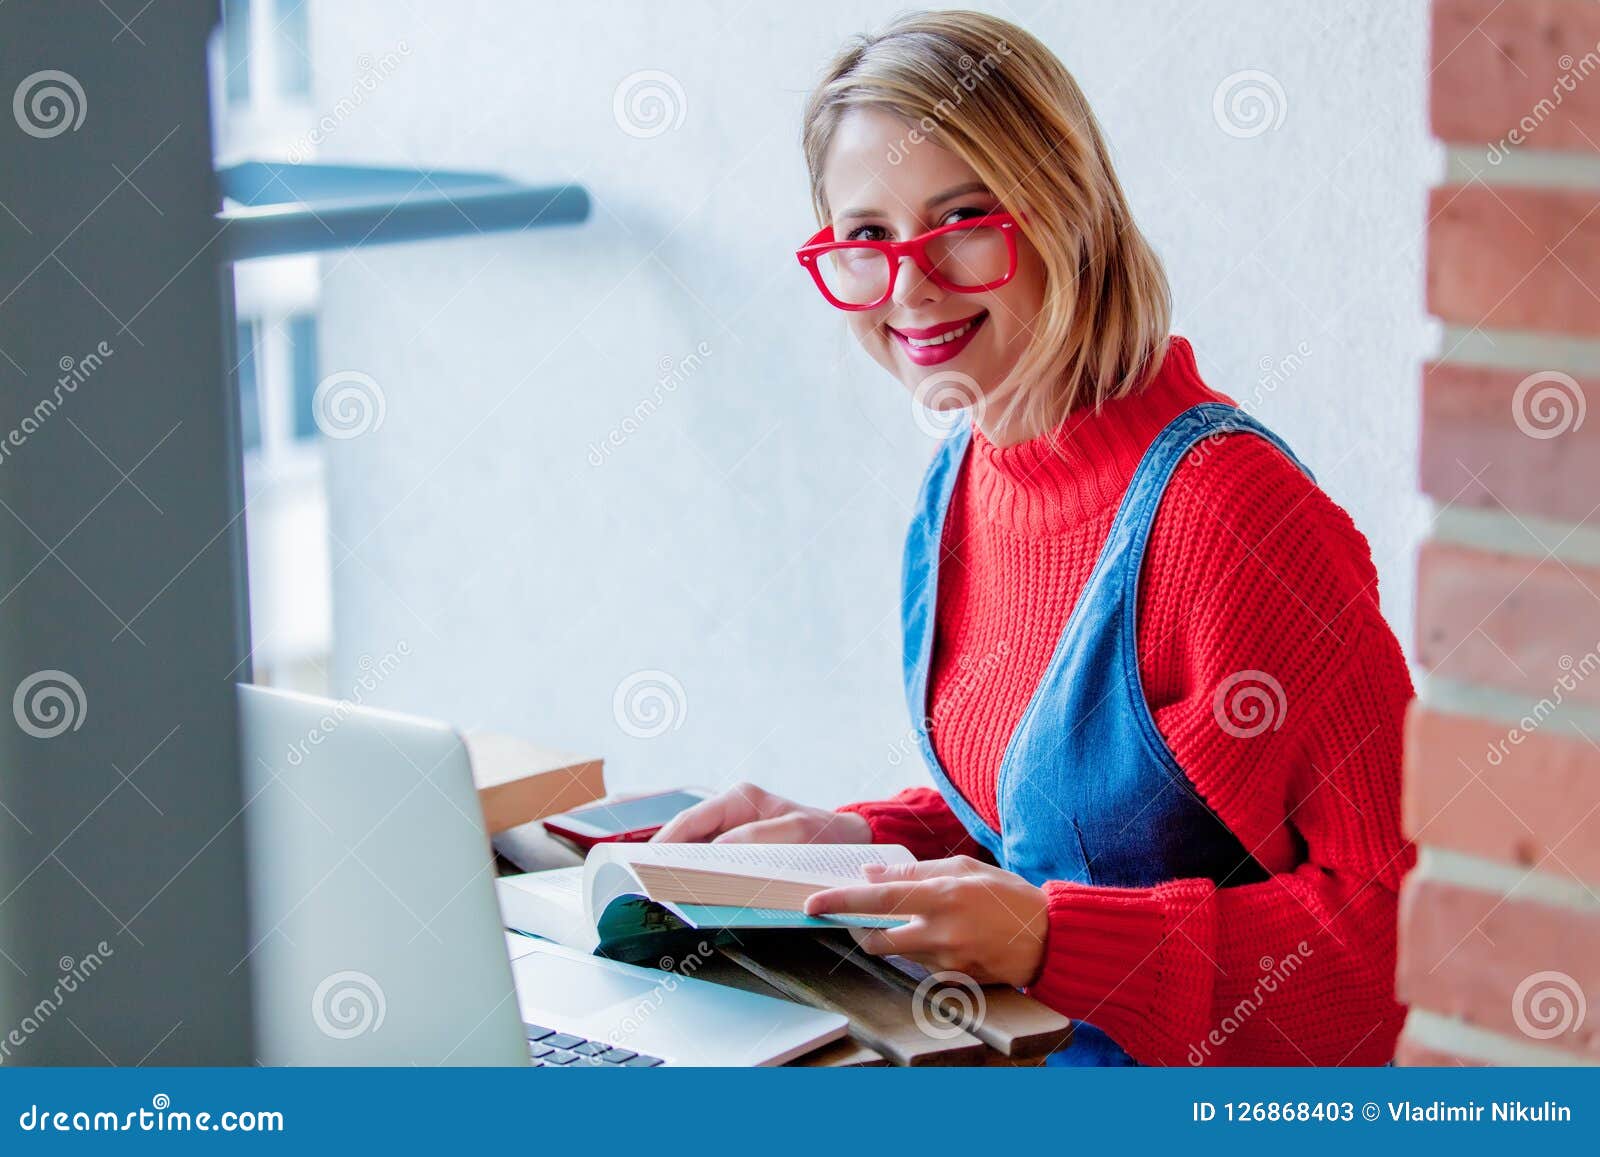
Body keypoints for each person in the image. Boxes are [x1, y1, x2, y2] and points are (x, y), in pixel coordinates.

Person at [654, 9, 1415, 1067]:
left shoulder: (1232, 516)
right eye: (866, 236)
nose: (910, 286)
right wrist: (868, 841)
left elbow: (1403, 937)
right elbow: (1049, 830)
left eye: (962, 218)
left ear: (1068, 215)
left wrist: (1056, 942)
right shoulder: (963, 476)